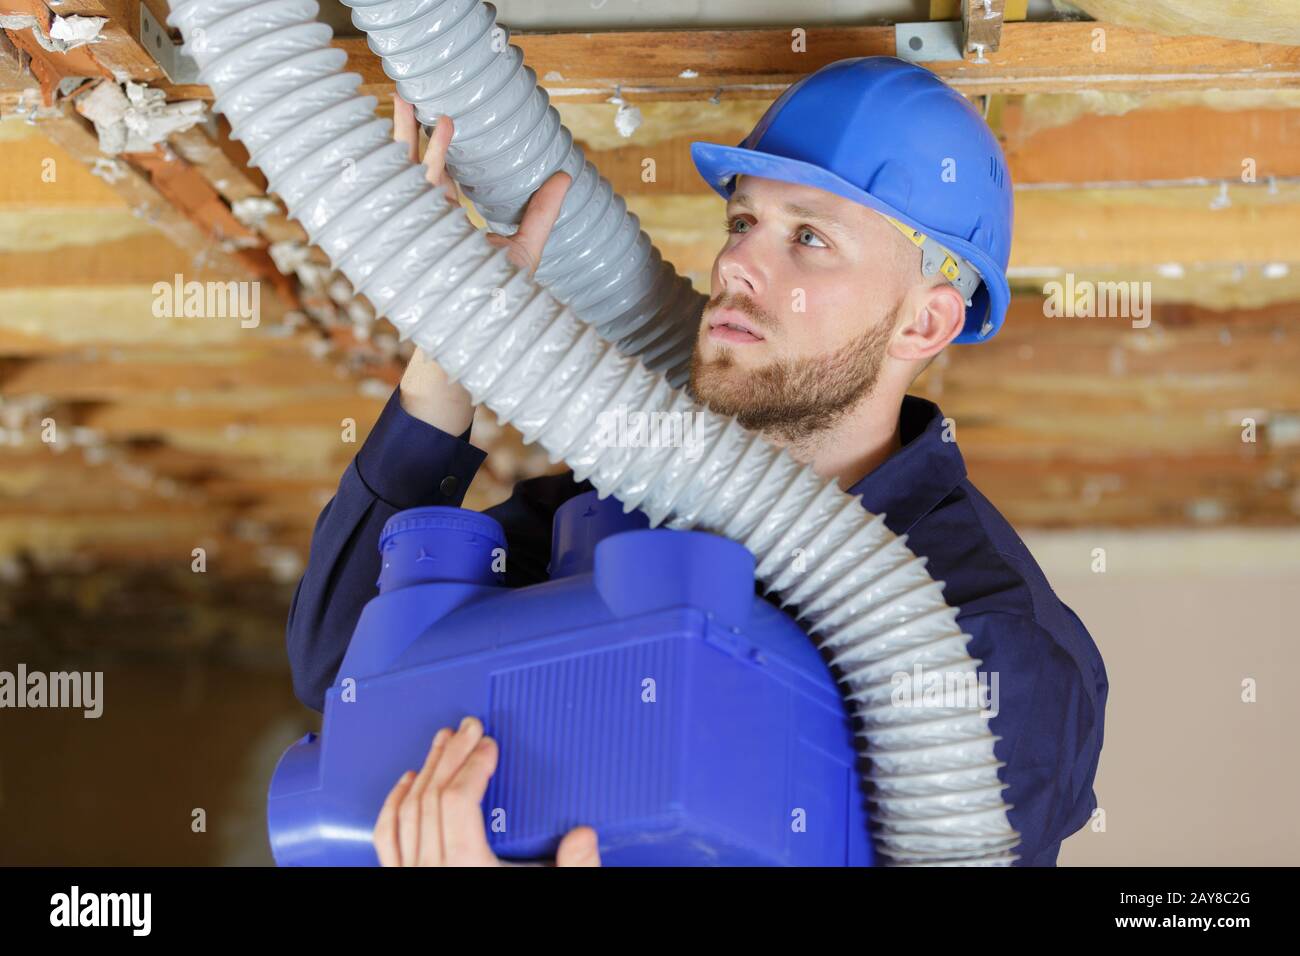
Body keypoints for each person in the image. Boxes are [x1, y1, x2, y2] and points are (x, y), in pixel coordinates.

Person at [287, 57, 1108, 867]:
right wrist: (457, 349)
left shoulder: (987, 643)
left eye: (810, 238)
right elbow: (347, 674)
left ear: (924, 325)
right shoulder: (641, 498)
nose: (735, 267)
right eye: (744, 223)